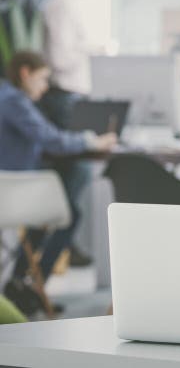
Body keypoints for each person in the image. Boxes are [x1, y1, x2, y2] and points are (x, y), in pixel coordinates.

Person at [0, 51, 116, 315]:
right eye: (42, 80)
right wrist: (90, 141)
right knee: (70, 215)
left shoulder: (7, 97)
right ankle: (26, 283)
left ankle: (22, 283)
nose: (44, 88)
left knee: (51, 217)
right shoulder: (14, 101)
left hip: (13, 188)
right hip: (10, 193)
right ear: (25, 73)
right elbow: (50, 138)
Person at [39, 0, 95, 267]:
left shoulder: (67, 5)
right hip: (64, 98)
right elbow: (60, 59)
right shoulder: (63, 6)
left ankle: (51, 255)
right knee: (74, 179)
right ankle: (45, 259)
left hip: (69, 98)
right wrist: (91, 49)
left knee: (75, 177)